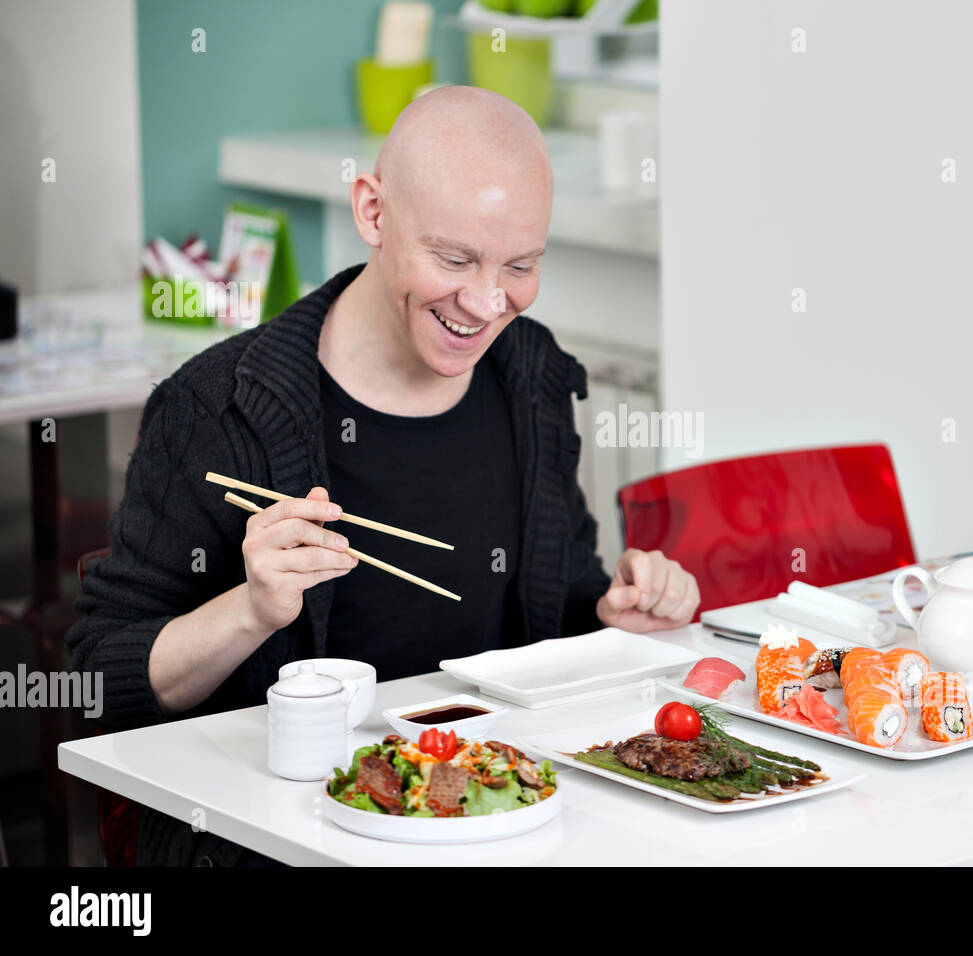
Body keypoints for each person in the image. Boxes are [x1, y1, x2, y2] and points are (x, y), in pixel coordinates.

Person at [67, 86, 700, 865]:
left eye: (521, 265)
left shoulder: (530, 378)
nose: (485, 302)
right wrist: (251, 608)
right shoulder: (216, 407)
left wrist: (615, 615)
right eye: (454, 257)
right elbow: (97, 675)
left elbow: (559, 608)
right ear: (372, 210)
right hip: (273, 833)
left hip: (491, 809)